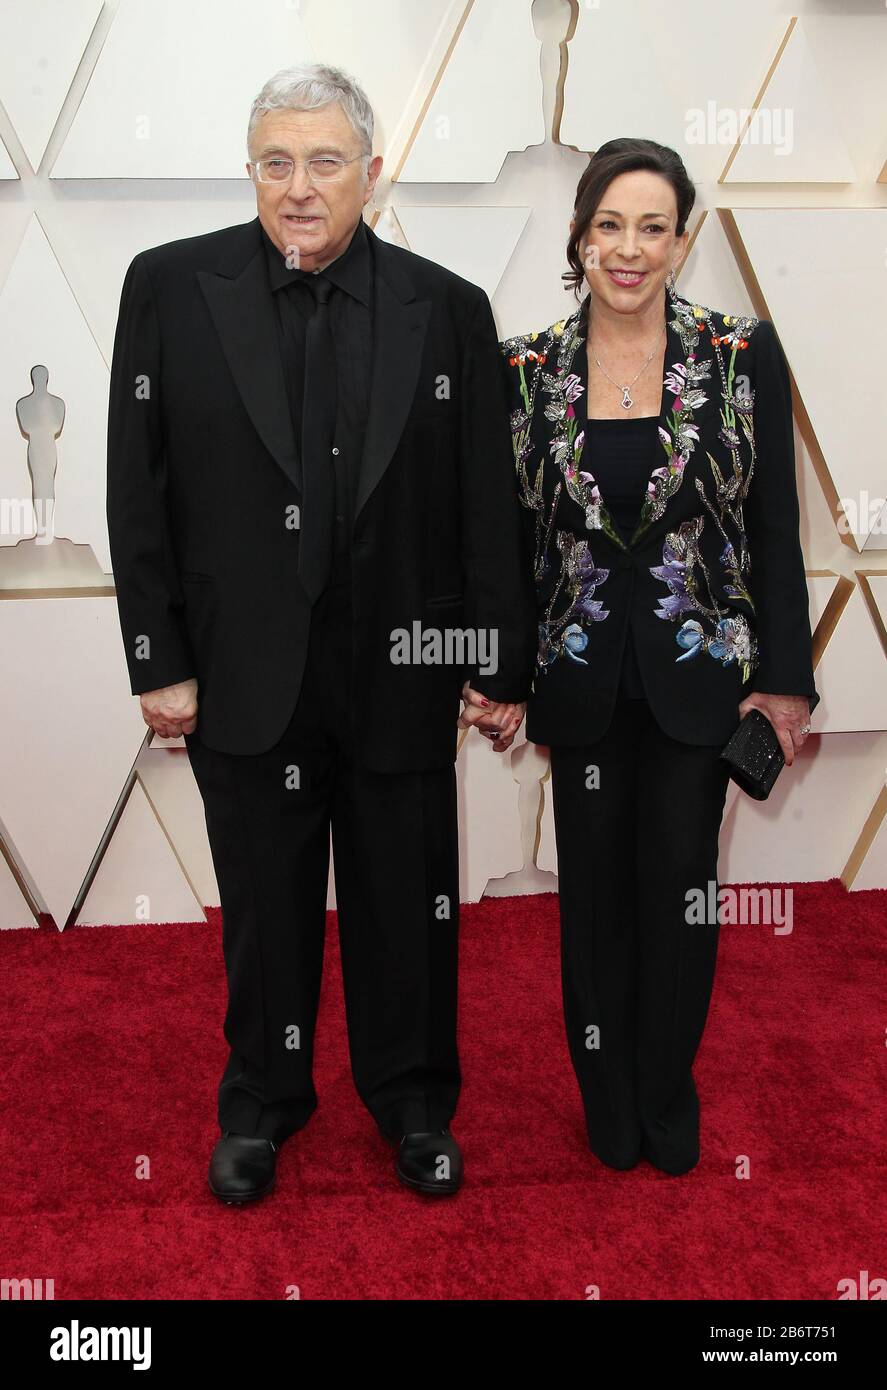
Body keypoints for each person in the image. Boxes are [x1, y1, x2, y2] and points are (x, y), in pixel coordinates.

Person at [106, 63, 534, 1203]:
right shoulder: (168, 287)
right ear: (251, 170)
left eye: (326, 161)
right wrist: (162, 659)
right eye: (276, 162)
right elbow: (135, 491)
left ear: (372, 174)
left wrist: (492, 662)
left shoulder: (445, 308)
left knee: (408, 902)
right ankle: (261, 1104)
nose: (300, 187)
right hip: (242, 673)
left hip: (401, 670)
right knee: (264, 909)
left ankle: (412, 1105)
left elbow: (483, 503)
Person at [498, 137, 819, 1175]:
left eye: (650, 227)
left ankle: (662, 1088)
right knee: (591, 892)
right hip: (579, 674)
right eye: (607, 225)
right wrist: (500, 673)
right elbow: (506, 538)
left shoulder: (737, 352)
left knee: (680, 886)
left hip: (699, 677)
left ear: (679, 242)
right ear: (578, 236)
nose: (626, 249)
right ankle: (604, 1092)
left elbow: (775, 524)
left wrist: (780, 682)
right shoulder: (526, 367)